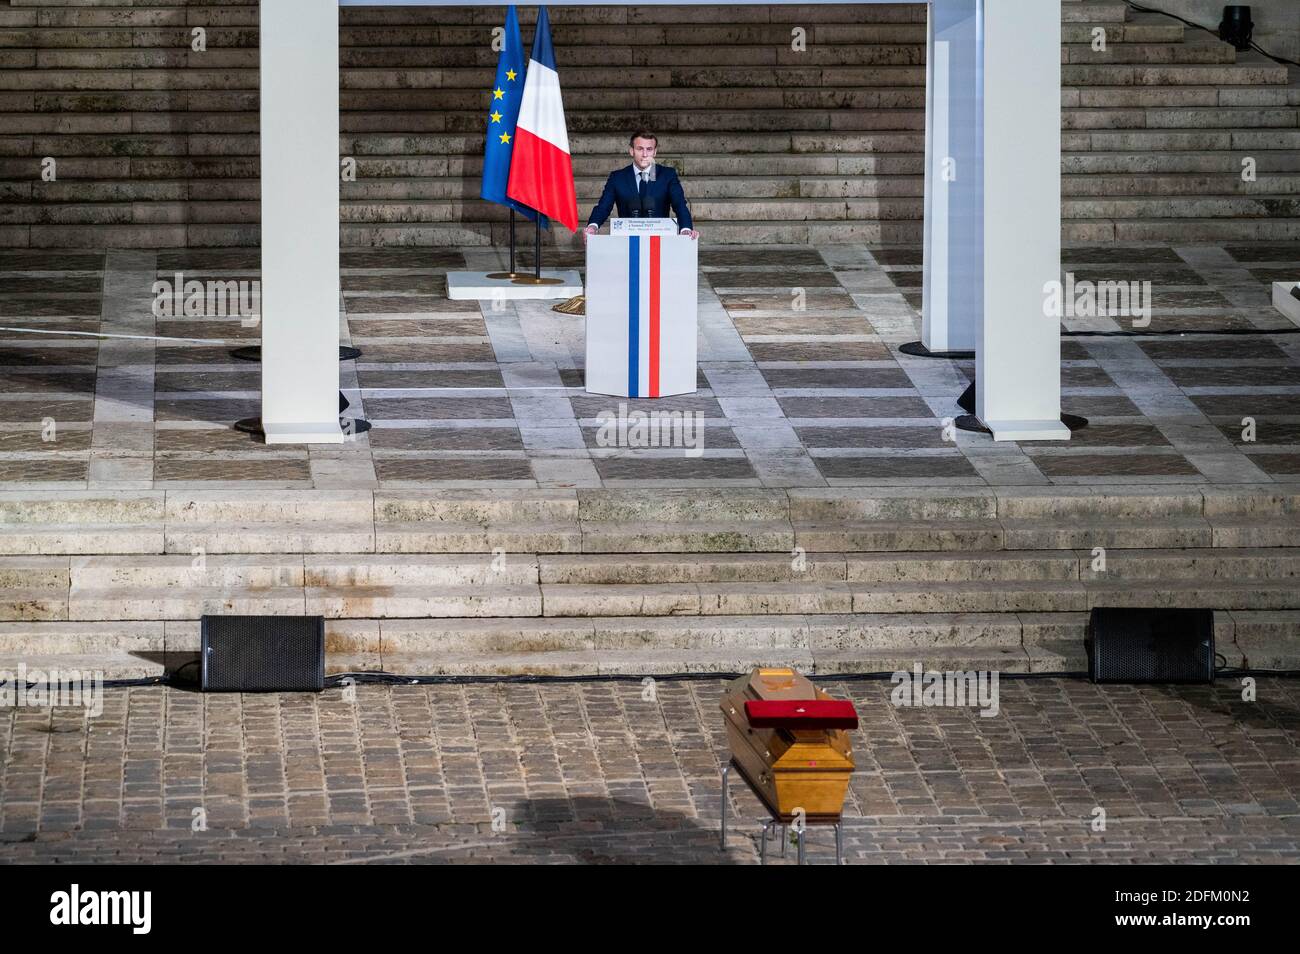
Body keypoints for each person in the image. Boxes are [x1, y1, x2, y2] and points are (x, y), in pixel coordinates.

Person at [582, 130, 699, 241]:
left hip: (659, 243)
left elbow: (679, 205)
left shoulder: (667, 175)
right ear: (632, 151)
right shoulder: (617, 177)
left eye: (649, 149)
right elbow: (603, 206)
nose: (644, 154)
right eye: (640, 149)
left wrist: (685, 229)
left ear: (655, 152)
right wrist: (593, 226)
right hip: (627, 242)